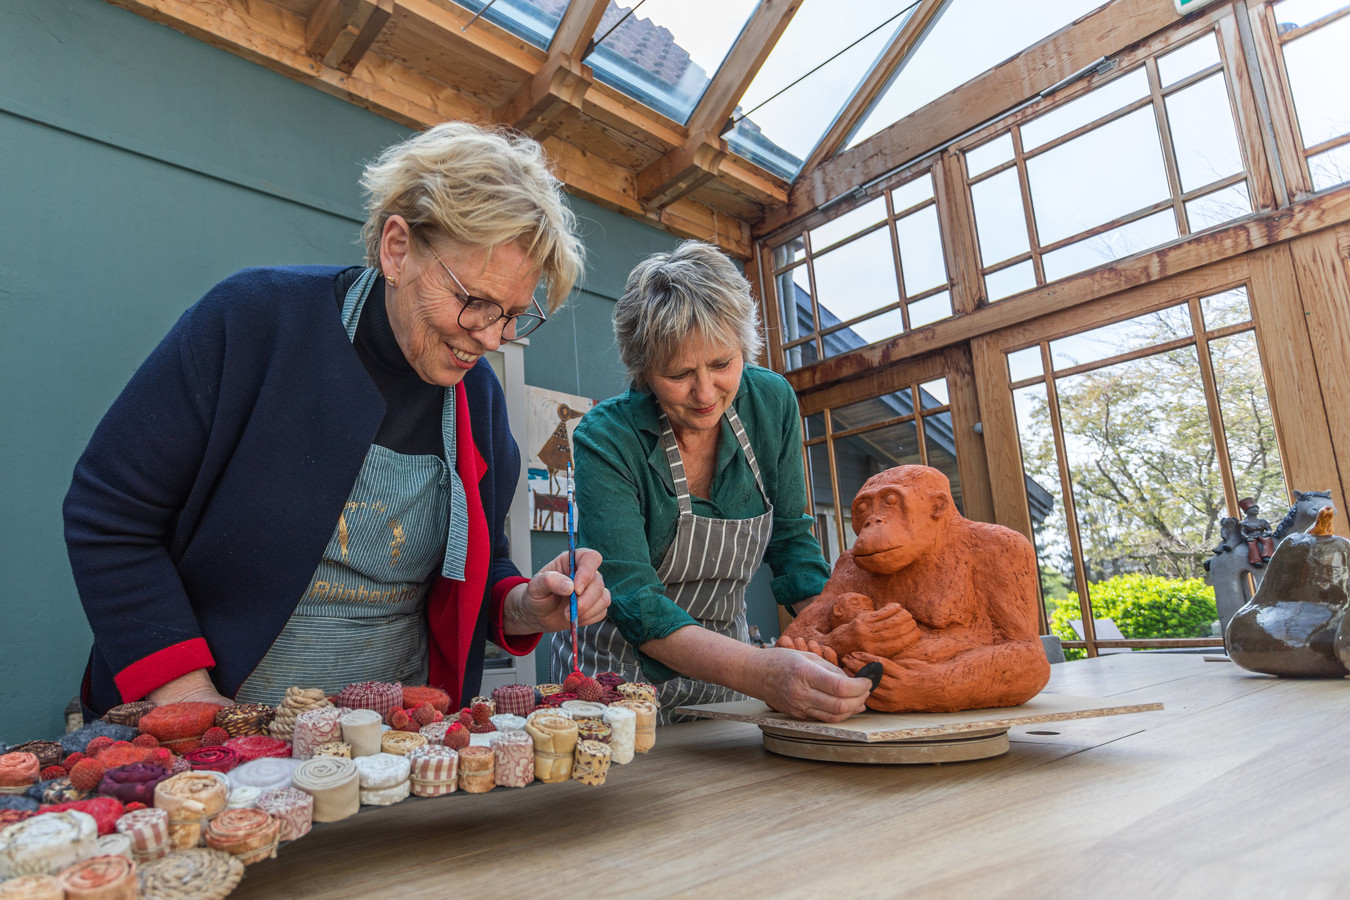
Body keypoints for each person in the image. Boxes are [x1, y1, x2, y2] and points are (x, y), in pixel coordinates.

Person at [65, 122, 610, 717]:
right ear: (397, 248)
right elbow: (111, 515)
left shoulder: (478, 400)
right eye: (472, 301)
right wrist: (190, 698)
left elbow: (480, 568)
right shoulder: (252, 323)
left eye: (511, 315)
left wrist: (525, 605)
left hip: (389, 745)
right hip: (215, 734)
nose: (489, 336)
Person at [551, 241, 870, 724]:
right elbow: (636, 600)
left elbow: (791, 544)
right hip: (619, 680)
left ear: (744, 345)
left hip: (728, 675)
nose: (705, 393)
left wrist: (841, 633)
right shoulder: (607, 438)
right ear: (643, 370)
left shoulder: (770, 404)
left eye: (722, 364)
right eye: (679, 373)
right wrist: (761, 672)